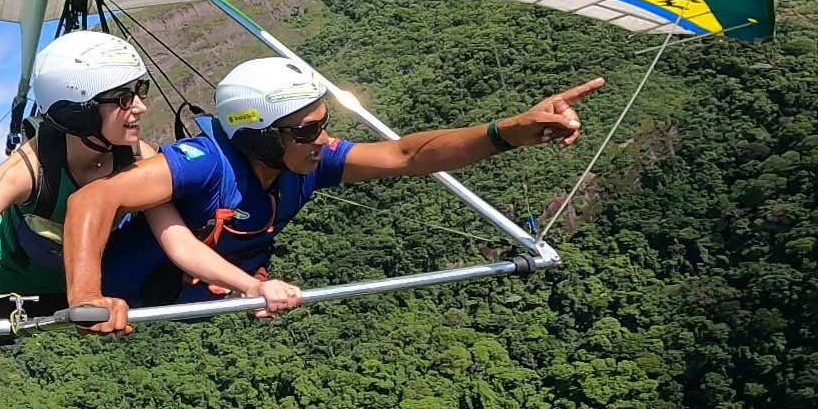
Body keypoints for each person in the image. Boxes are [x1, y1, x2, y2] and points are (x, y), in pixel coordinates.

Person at [64, 56, 605, 332]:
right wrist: (86, 297)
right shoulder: (205, 165)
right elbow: (91, 200)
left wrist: (510, 132)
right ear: (258, 138)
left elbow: (406, 156)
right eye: (305, 131)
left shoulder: (311, 163)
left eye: (323, 124)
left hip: (193, 300)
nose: (322, 140)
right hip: (114, 294)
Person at [0, 32, 302, 393]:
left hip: (64, 280)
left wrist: (250, 286)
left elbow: (177, 240)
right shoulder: (28, 168)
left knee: (8, 337)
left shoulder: (137, 158)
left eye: (139, 91)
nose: (140, 107)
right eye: (122, 98)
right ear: (78, 111)